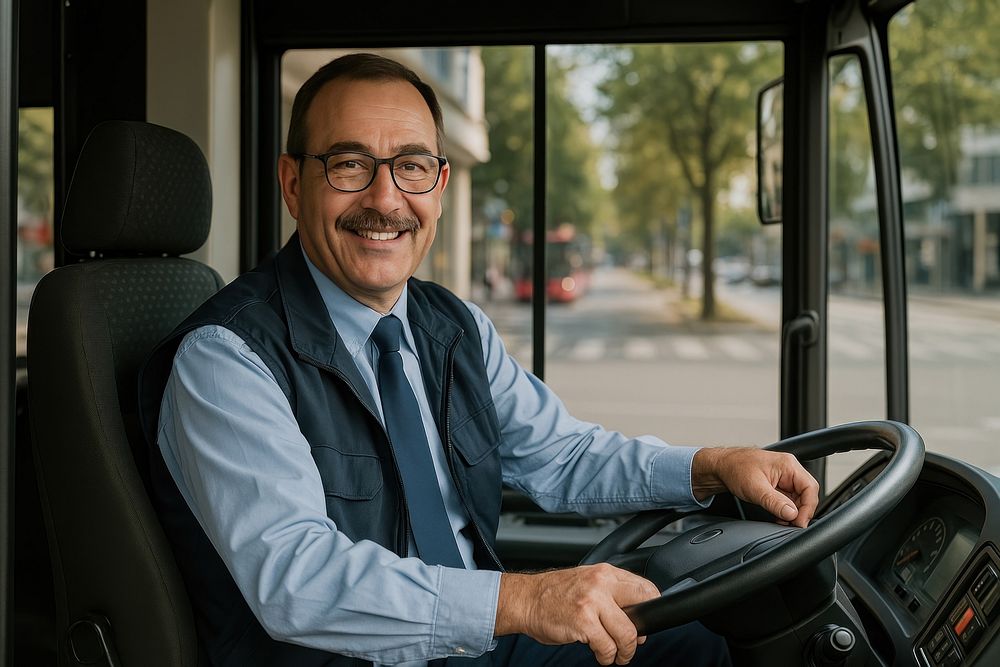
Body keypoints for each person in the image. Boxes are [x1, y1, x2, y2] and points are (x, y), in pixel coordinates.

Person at [140, 53, 819, 667]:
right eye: (349, 165)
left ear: (439, 186)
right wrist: (526, 600)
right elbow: (298, 580)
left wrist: (710, 467)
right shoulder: (226, 357)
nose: (385, 199)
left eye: (411, 166)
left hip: (472, 642)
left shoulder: (453, 326)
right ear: (293, 184)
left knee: (704, 642)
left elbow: (563, 456)